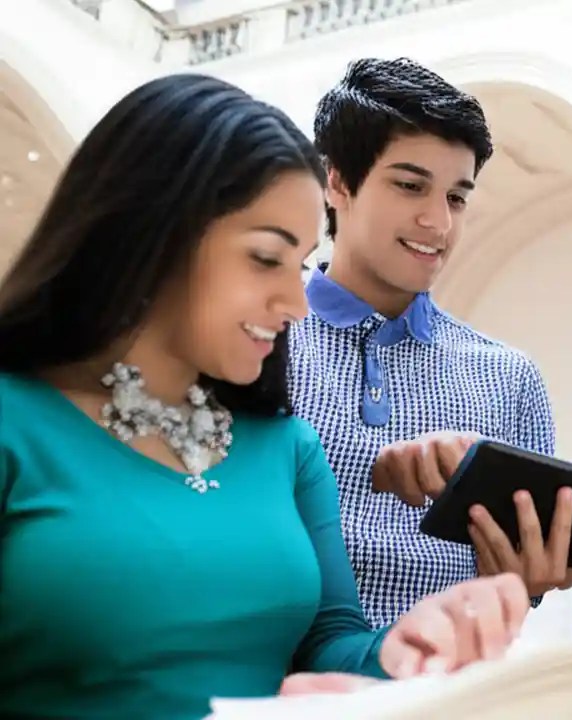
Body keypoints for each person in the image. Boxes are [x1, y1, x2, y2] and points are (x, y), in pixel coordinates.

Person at [0, 73, 529, 720]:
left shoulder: (287, 448)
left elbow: (330, 647)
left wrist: (408, 646)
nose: (297, 304)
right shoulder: (15, 423)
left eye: (299, 264)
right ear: (155, 233)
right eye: (265, 259)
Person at [290, 57, 572, 629]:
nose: (440, 223)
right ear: (338, 181)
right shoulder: (259, 341)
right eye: (410, 186)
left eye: (456, 197)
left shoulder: (509, 378)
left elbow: (523, 590)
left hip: (453, 676)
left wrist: (527, 581)